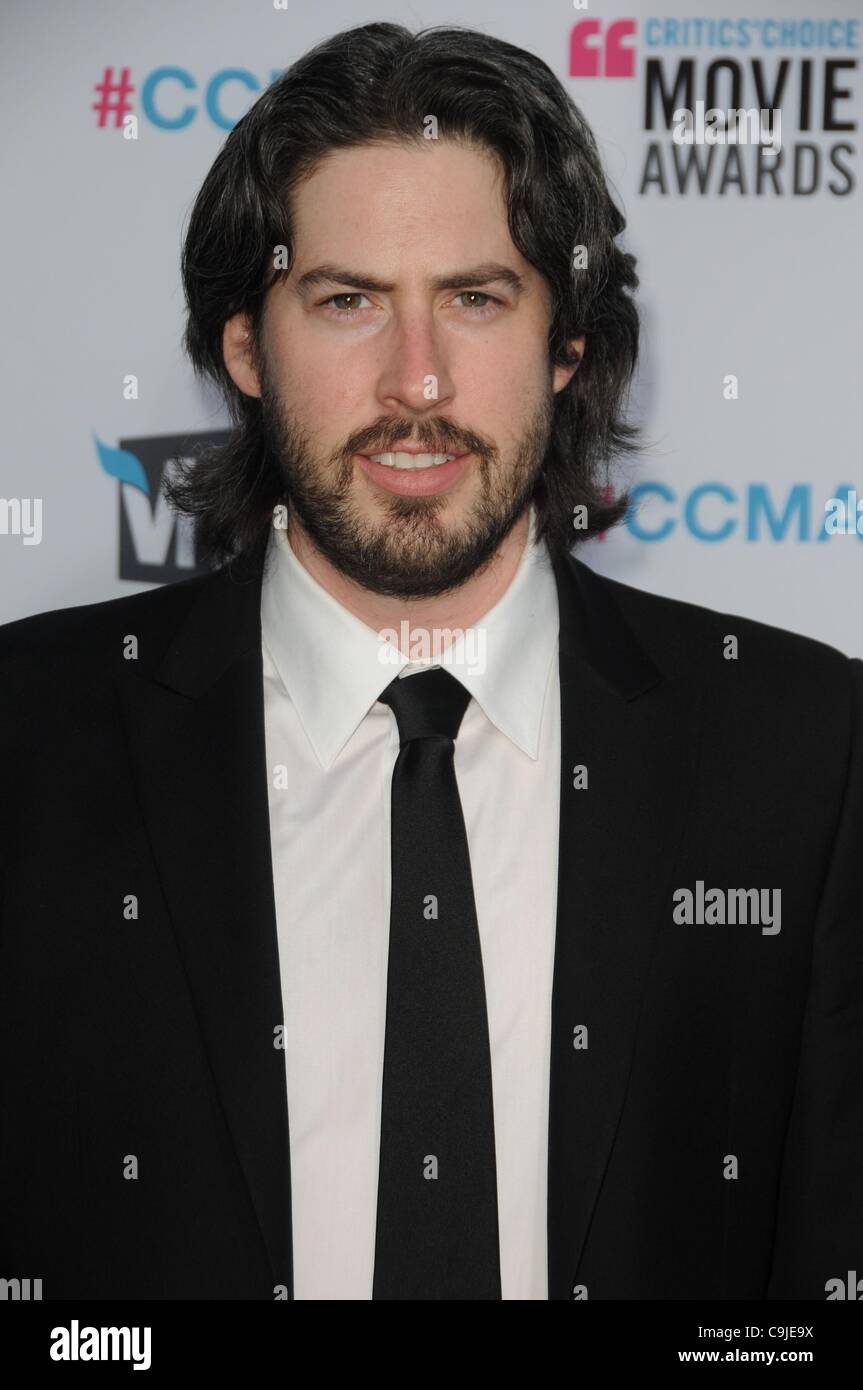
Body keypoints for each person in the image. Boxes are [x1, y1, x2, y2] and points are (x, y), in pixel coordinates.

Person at [0, 22, 860, 1302]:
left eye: (475, 297)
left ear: (566, 344)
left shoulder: (801, 747)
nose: (416, 380)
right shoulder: (24, 736)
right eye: (346, 301)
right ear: (244, 344)